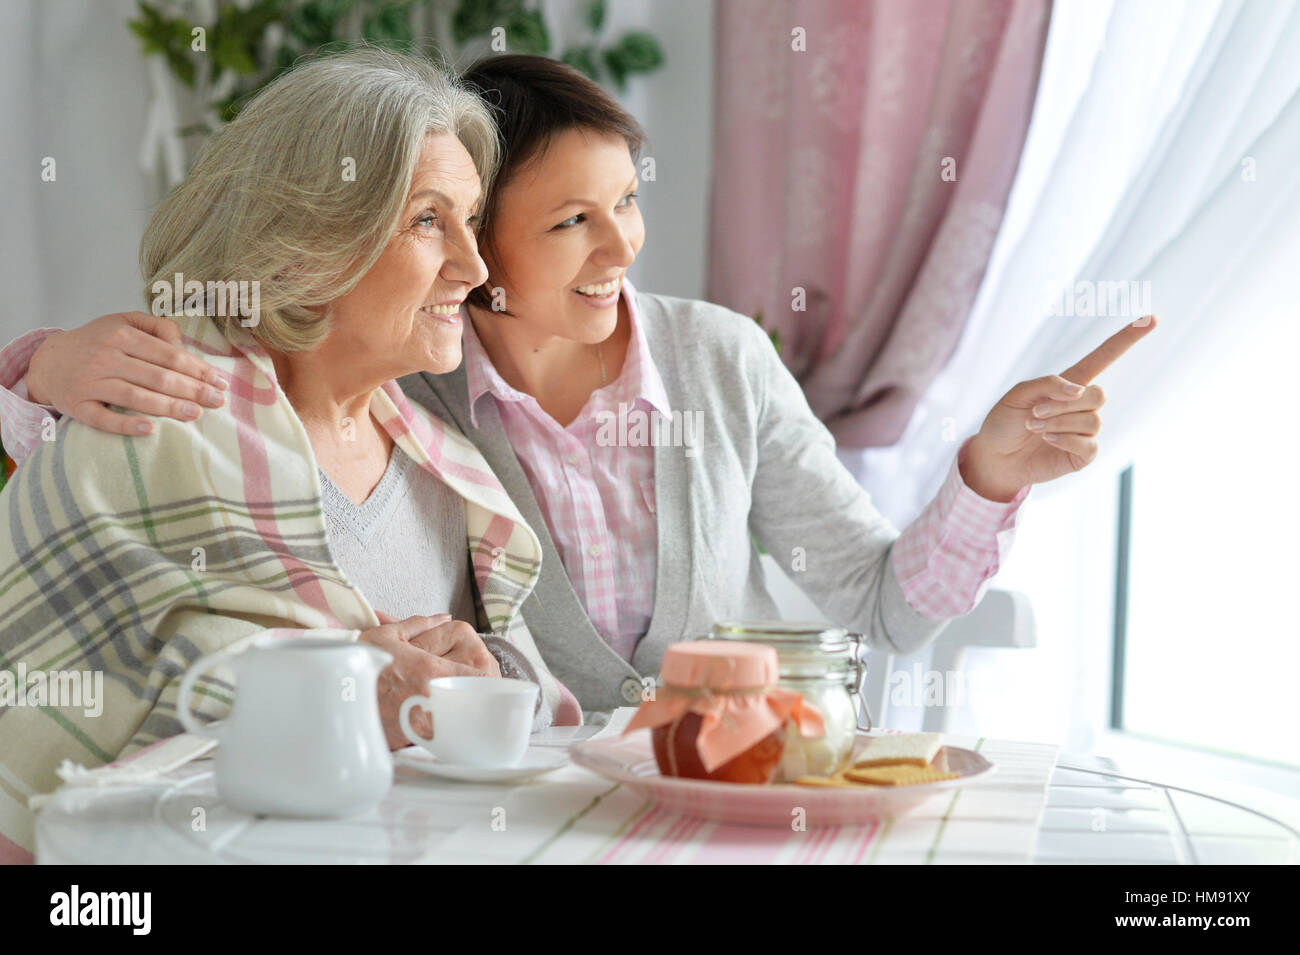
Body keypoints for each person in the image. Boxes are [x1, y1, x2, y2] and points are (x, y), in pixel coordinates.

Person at [0, 55, 1157, 719]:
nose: (622, 250)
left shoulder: (708, 368)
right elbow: (229, 370)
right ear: (489, 252)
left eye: (628, 204)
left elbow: (881, 607)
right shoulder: (426, 393)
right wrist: (36, 362)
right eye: (567, 222)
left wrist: (987, 475)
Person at [0, 47, 580, 864]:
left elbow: (526, 703)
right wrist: (340, 691)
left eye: (471, 220)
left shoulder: (453, 474)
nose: (475, 267)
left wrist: (488, 672)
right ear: (310, 239)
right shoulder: (144, 423)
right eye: (427, 219)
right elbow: (33, 730)